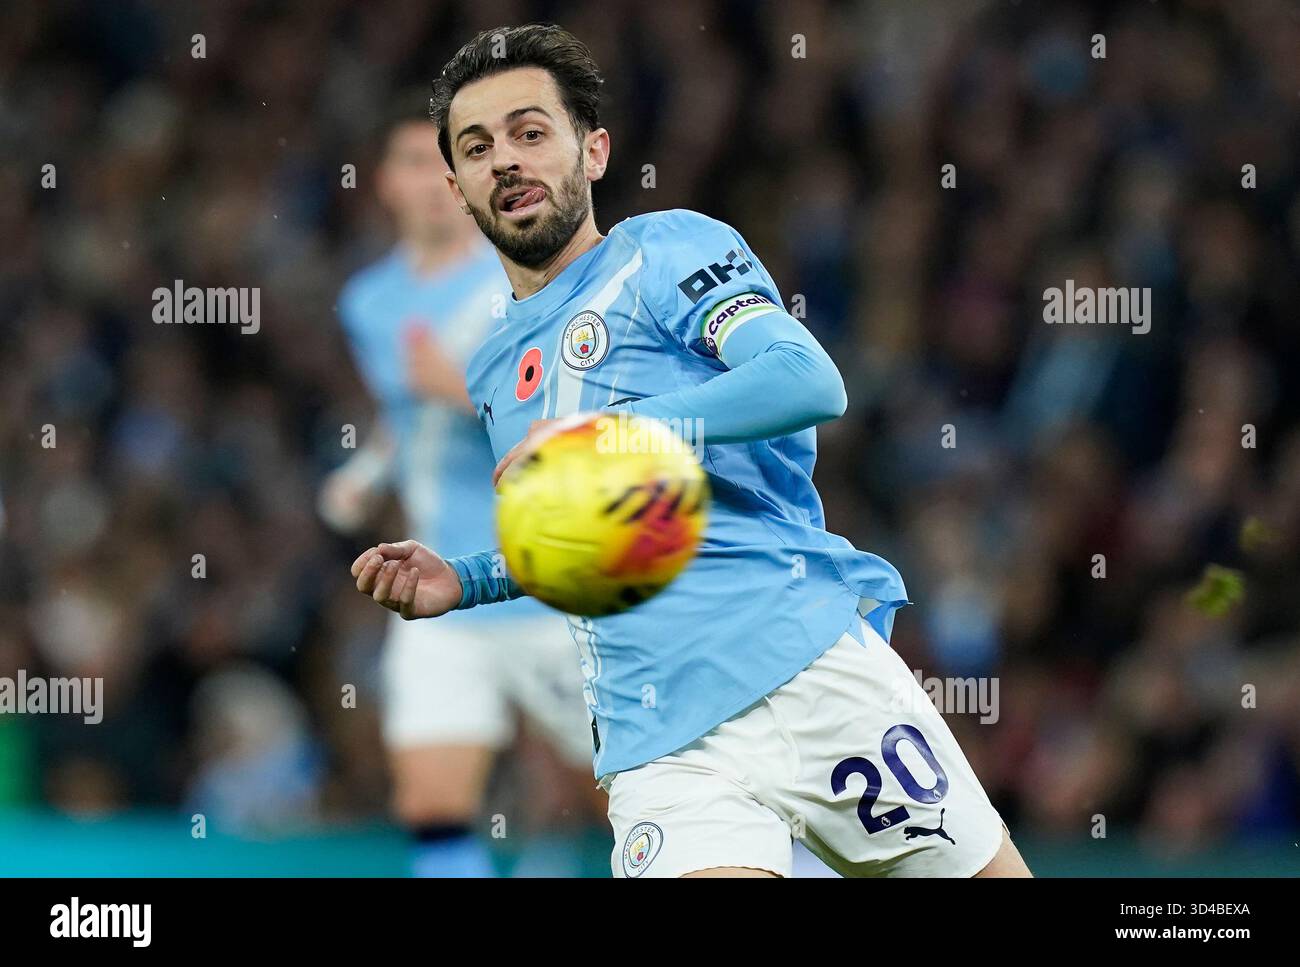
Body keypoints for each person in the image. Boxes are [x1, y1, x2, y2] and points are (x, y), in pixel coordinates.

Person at [353, 25, 1031, 879]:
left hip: (805, 673)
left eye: (532, 133)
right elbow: (588, 535)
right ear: (455, 187)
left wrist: (616, 431)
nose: (506, 162)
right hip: (658, 744)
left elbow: (807, 378)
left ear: (593, 150)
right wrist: (471, 578)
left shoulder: (667, 251)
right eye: (478, 148)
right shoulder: (491, 368)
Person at [324, 100, 592, 877]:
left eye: (444, 165)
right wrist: (364, 472)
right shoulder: (369, 302)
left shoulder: (520, 278)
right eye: (411, 163)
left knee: (624, 789)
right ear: (386, 184)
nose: (433, 182)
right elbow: (403, 413)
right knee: (431, 799)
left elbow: (576, 419)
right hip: (437, 580)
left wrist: (467, 394)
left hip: (539, 579)